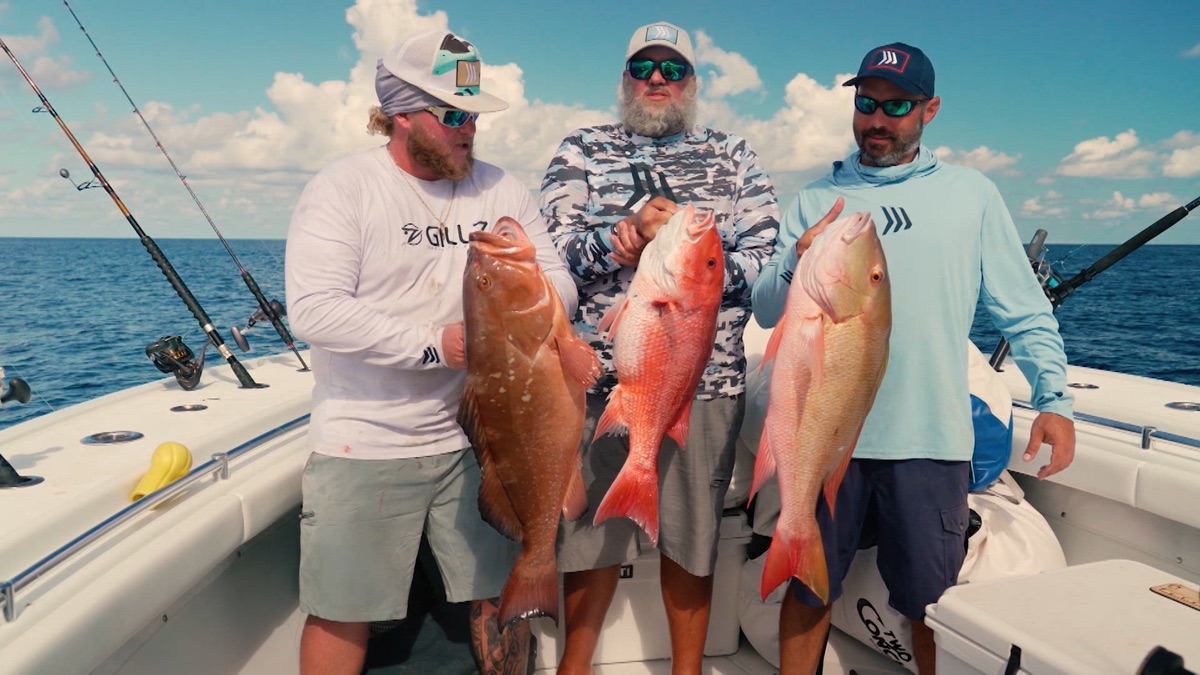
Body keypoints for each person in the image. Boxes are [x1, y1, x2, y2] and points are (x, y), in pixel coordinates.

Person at [751, 42, 1076, 674]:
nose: (877, 119)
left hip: (930, 440)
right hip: (824, 440)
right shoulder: (815, 198)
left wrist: (1054, 399)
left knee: (934, 605)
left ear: (930, 109)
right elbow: (766, 310)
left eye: (896, 106)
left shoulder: (971, 194)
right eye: (866, 103)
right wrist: (795, 258)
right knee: (808, 591)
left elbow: (1023, 308)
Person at [286, 29, 577, 675]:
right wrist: (434, 343)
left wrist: (526, 301)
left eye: (473, 114)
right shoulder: (344, 189)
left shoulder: (501, 189)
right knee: (342, 608)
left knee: (493, 593)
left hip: (481, 439)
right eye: (452, 115)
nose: (468, 128)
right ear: (401, 114)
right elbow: (314, 309)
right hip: (364, 439)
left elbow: (561, 281)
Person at [539, 21, 780, 674]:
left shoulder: (734, 156)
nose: (656, 79)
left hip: (706, 385)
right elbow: (553, 255)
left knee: (692, 541)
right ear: (624, 79)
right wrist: (619, 240)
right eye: (642, 67)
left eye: (672, 69)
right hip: (595, 383)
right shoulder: (581, 149)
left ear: (692, 83)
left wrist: (695, 262)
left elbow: (764, 260)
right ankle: (573, 667)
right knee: (587, 541)